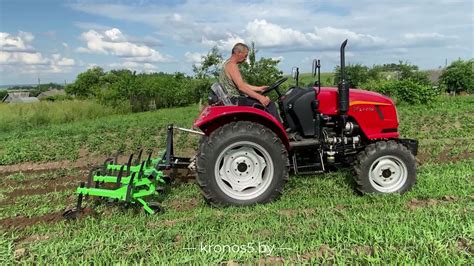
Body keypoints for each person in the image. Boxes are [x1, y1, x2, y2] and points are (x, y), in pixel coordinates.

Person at [219, 43, 280, 121]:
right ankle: (277, 131)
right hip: (235, 99)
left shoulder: (227, 63)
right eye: (245, 55)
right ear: (238, 52)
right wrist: (260, 98)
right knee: (270, 105)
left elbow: (242, 84)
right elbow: (241, 87)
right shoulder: (232, 65)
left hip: (233, 99)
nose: (245, 58)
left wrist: (259, 88)